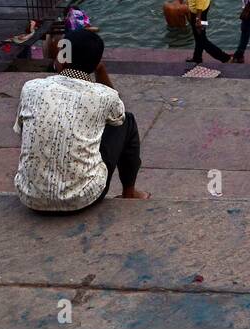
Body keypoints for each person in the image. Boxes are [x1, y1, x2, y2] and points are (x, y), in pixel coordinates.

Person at [13, 28, 149, 212]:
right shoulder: (104, 96)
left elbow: (24, 132)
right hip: (82, 197)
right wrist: (99, 69)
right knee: (128, 121)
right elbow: (118, 115)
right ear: (95, 63)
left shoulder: (31, 88)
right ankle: (129, 193)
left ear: (63, 57)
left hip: (30, 196)